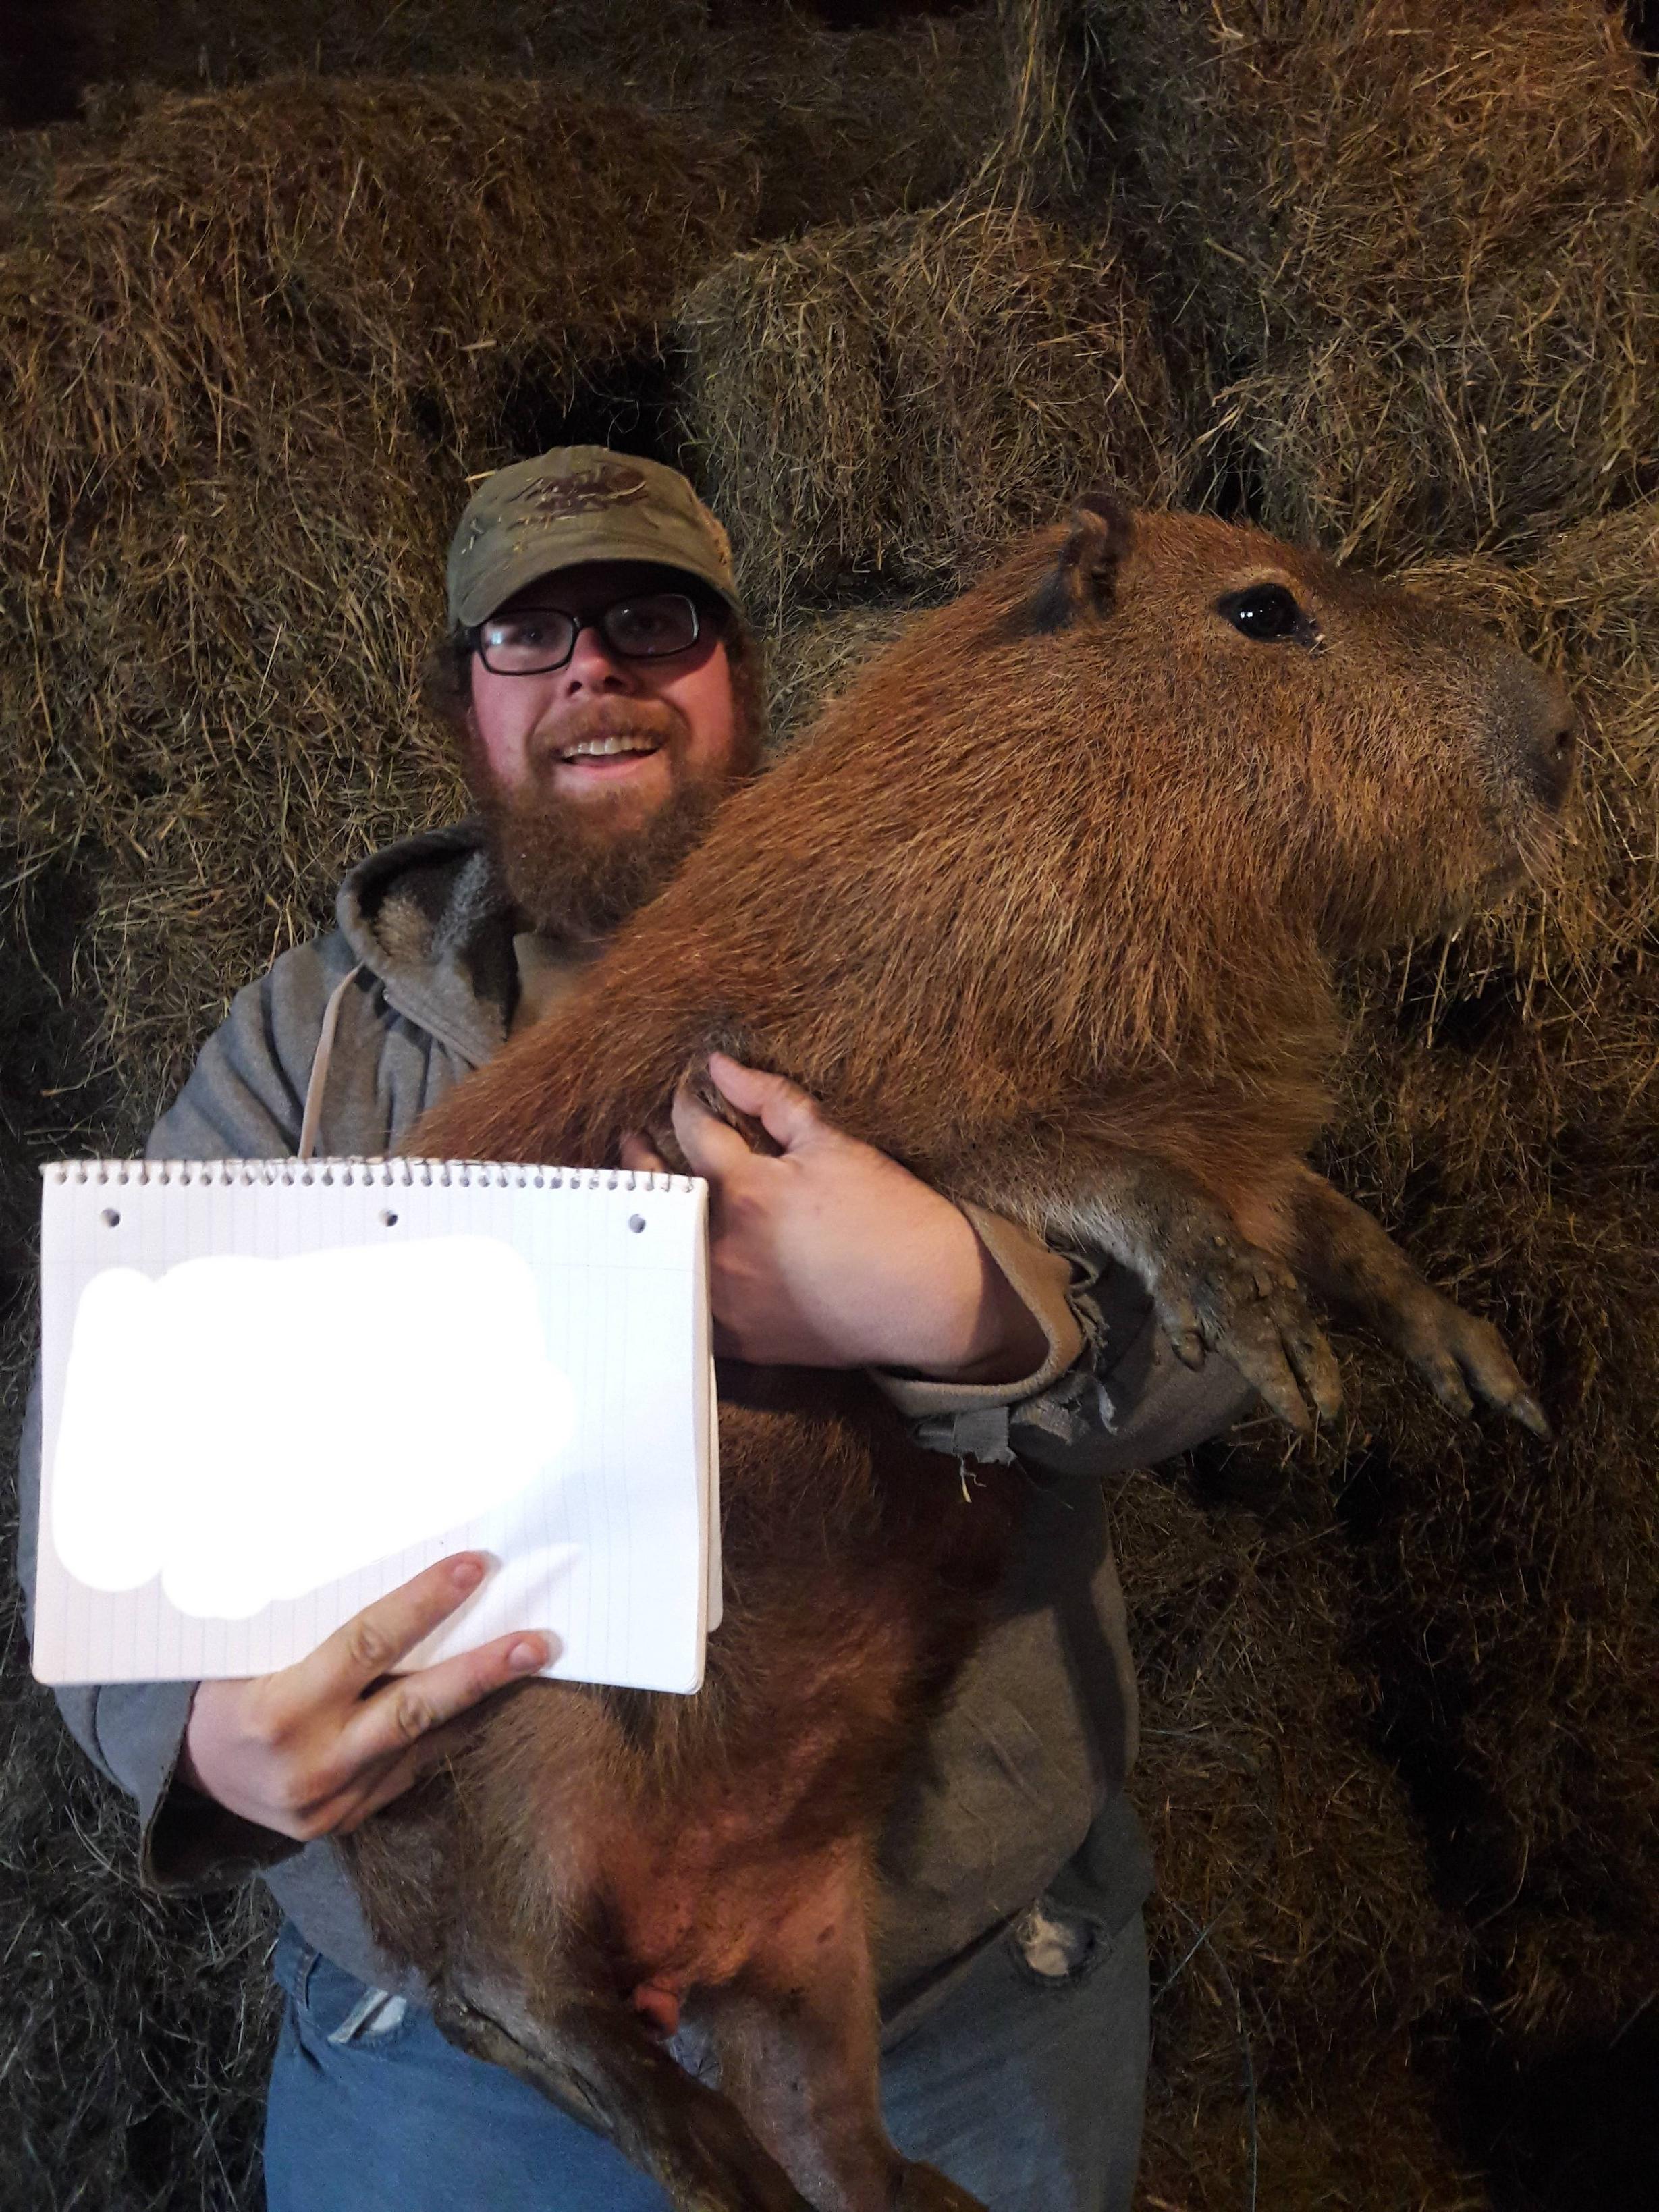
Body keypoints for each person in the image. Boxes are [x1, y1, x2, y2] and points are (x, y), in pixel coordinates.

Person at [19, 447, 1252, 2212]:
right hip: (454, 2053)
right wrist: (198, 1749)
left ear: (743, 677)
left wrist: (953, 1304)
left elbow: (1222, 1346)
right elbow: (108, 1467)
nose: (593, 669)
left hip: (951, 2008)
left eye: (649, 622)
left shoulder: (962, 955)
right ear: (467, 705)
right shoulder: (316, 1053)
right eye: (531, 638)